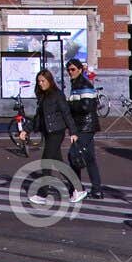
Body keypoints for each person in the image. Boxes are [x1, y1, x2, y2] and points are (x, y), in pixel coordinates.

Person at [29, 67, 79, 204]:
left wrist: (73, 132)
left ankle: (43, 194)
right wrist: (26, 130)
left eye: (43, 81)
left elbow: (66, 113)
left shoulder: (57, 95)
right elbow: (38, 117)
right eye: (39, 81)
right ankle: (77, 189)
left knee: (45, 162)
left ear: (49, 81)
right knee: (59, 164)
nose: (40, 84)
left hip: (56, 132)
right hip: (48, 132)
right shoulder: (43, 96)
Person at [64, 58, 105, 200]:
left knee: (73, 155)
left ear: (80, 70)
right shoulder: (75, 84)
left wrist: (69, 105)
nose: (70, 72)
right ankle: (97, 190)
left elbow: (87, 106)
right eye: (68, 70)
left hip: (86, 126)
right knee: (89, 157)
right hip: (83, 125)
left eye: (73, 69)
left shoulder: (84, 84)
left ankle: (77, 189)